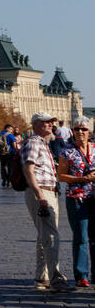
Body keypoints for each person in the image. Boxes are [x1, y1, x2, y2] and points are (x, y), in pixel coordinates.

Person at [22, 113, 69, 290]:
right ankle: (56, 277)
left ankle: (42, 277)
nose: (51, 125)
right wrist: (40, 195)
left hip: (49, 191)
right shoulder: (34, 142)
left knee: (44, 236)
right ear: (36, 125)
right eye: (47, 122)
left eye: (52, 123)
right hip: (42, 192)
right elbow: (28, 169)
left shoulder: (43, 142)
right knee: (51, 236)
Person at [56, 114, 94, 288]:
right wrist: (82, 179)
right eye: (77, 129)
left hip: (94, 197)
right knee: (81, 237)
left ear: (90, 131)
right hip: (76, 198)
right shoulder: (67, 152)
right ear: (72, 131)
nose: (80, 132)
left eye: (83, 129)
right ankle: (81, 275)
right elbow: (61, 176)